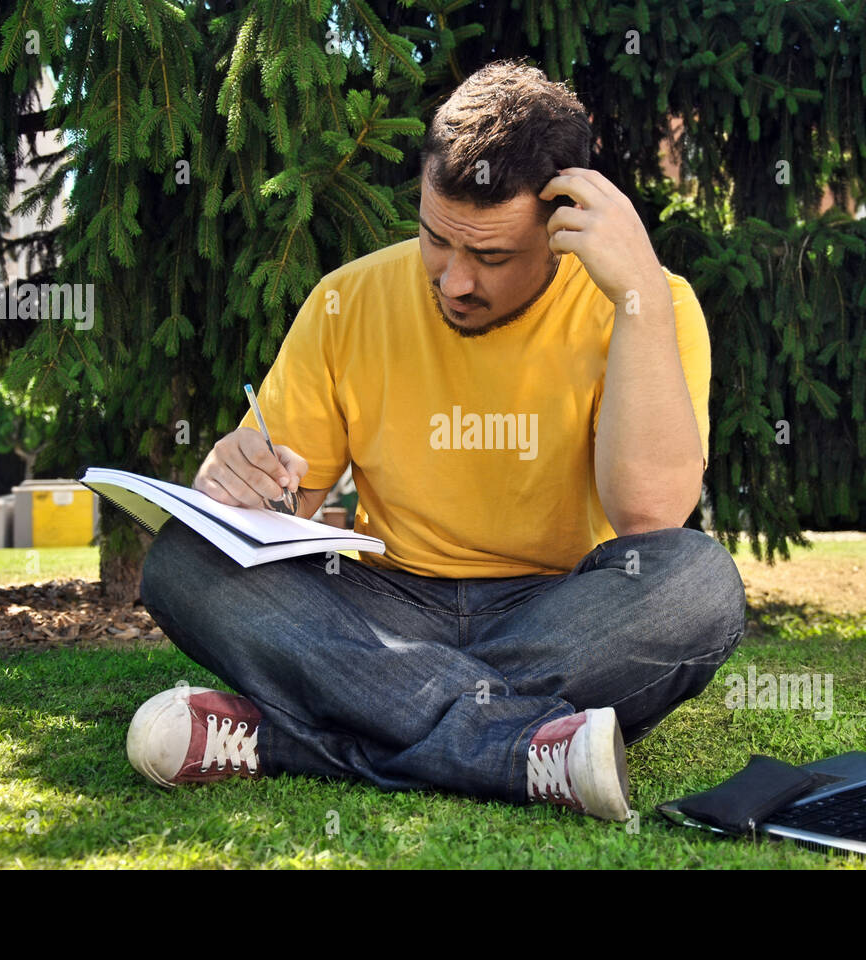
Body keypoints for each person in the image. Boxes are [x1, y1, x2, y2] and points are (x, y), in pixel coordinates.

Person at [128, 59, 746, 822]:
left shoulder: (650, 303)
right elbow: (283, 509)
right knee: (187, 560)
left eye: (490, 257)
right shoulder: (347, 299)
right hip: (385, 600)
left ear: (560, 231)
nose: (453, 281)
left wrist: (638, 295)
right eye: (435, 240)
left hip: (558, 608)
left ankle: (295, 743)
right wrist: (237, 478)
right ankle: (522, 749)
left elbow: (650, 516)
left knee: (698, 584)